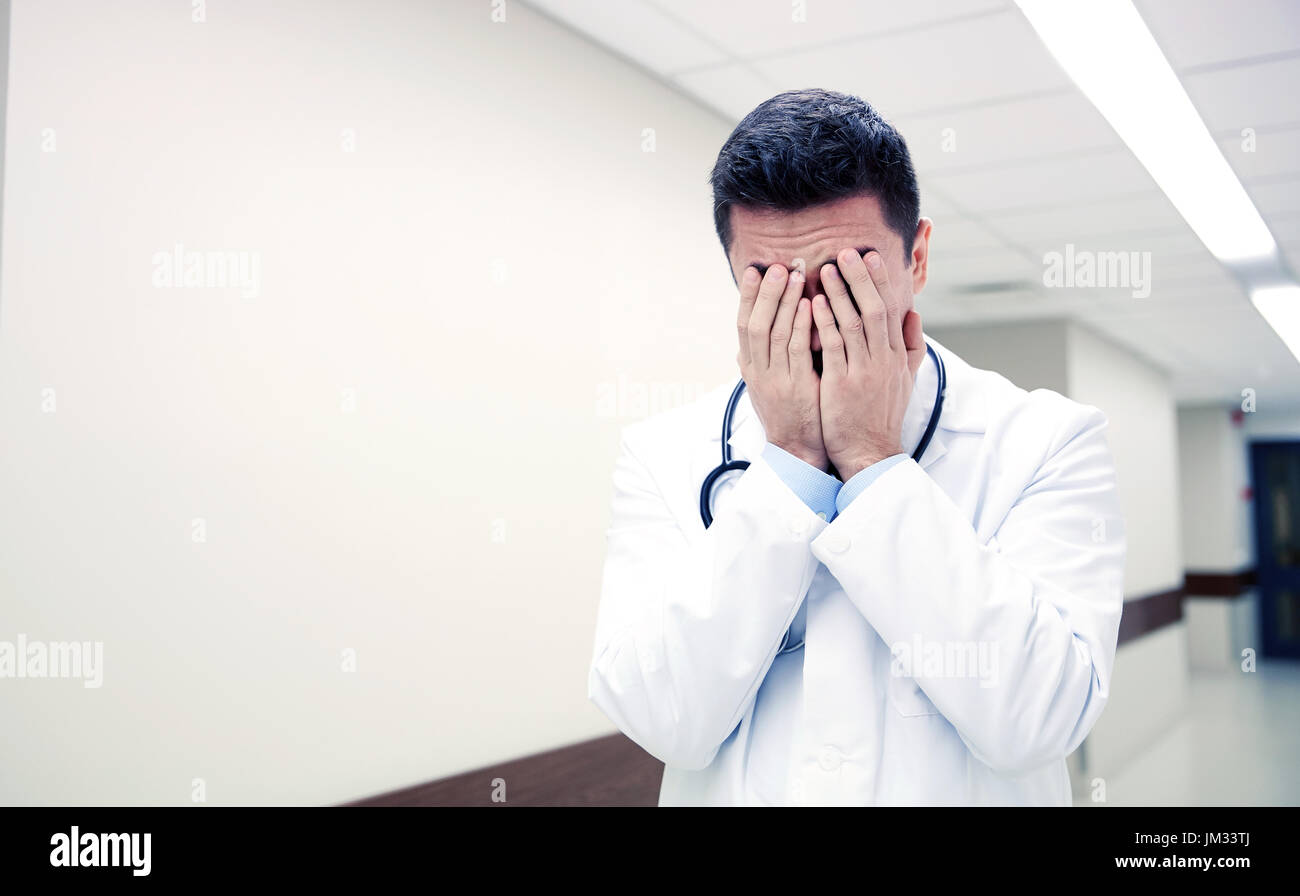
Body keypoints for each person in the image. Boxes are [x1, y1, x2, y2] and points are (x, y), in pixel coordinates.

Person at [587, 88, 1126, 806]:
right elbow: (665, 722)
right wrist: (788, 468)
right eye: (773, 285)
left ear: (919, 257)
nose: (816, 319)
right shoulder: (662, 454)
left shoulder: (1045, 441)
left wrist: (873, 459)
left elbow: (1038, 721)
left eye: (848, 276)